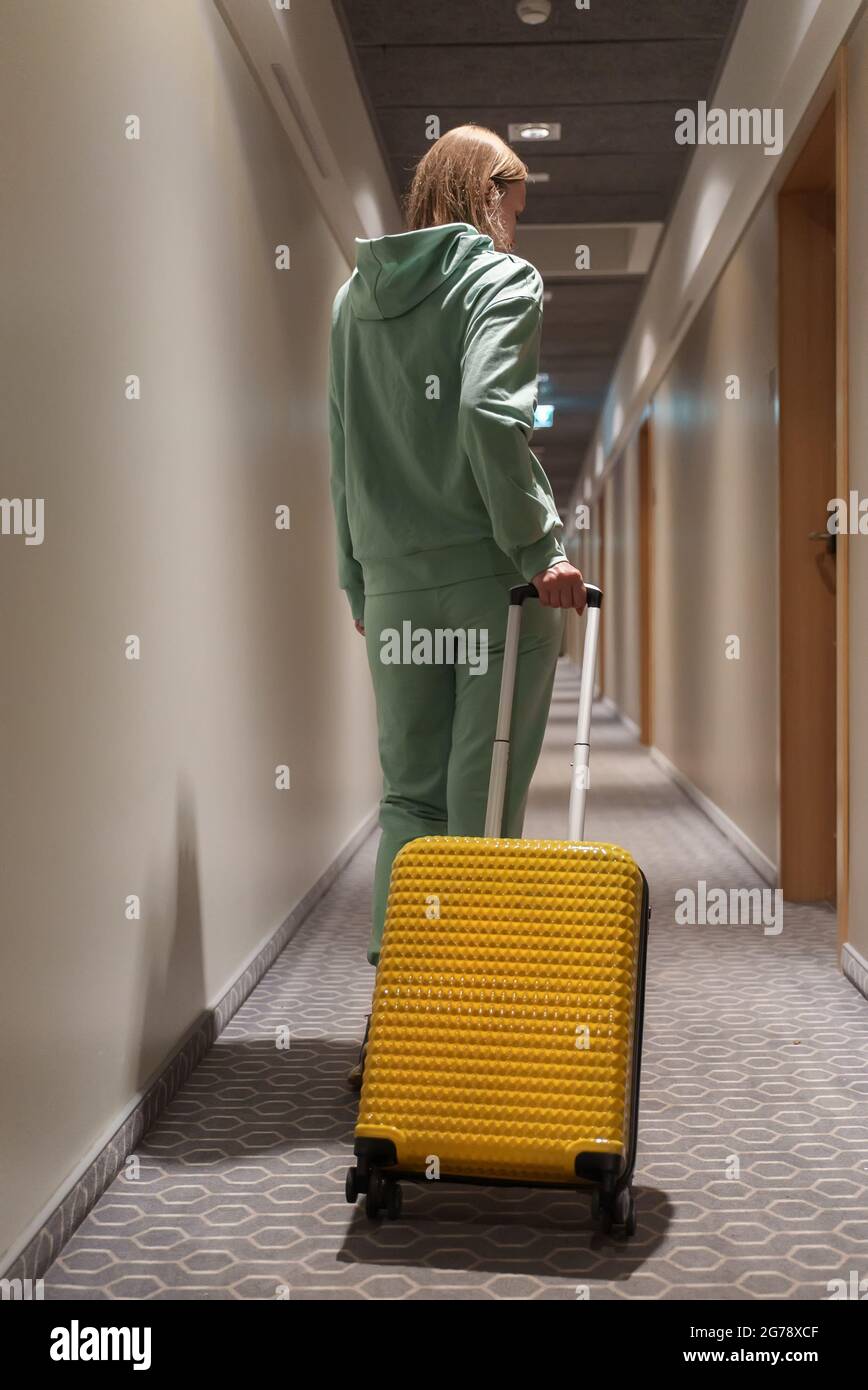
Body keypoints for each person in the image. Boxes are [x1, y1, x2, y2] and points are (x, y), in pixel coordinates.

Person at [327, 125, 587, 1088]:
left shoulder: (354, 300)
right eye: (517, 207)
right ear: (490, 194)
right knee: (480, 802)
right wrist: (540, 550)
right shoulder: (498, 281)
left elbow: (342, 448)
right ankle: (458, 1041)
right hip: (493, 585)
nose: (518, 228)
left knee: (410, 798)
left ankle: (397, 1024)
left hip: (394, 586)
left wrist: (359, 579)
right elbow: (487, 411)